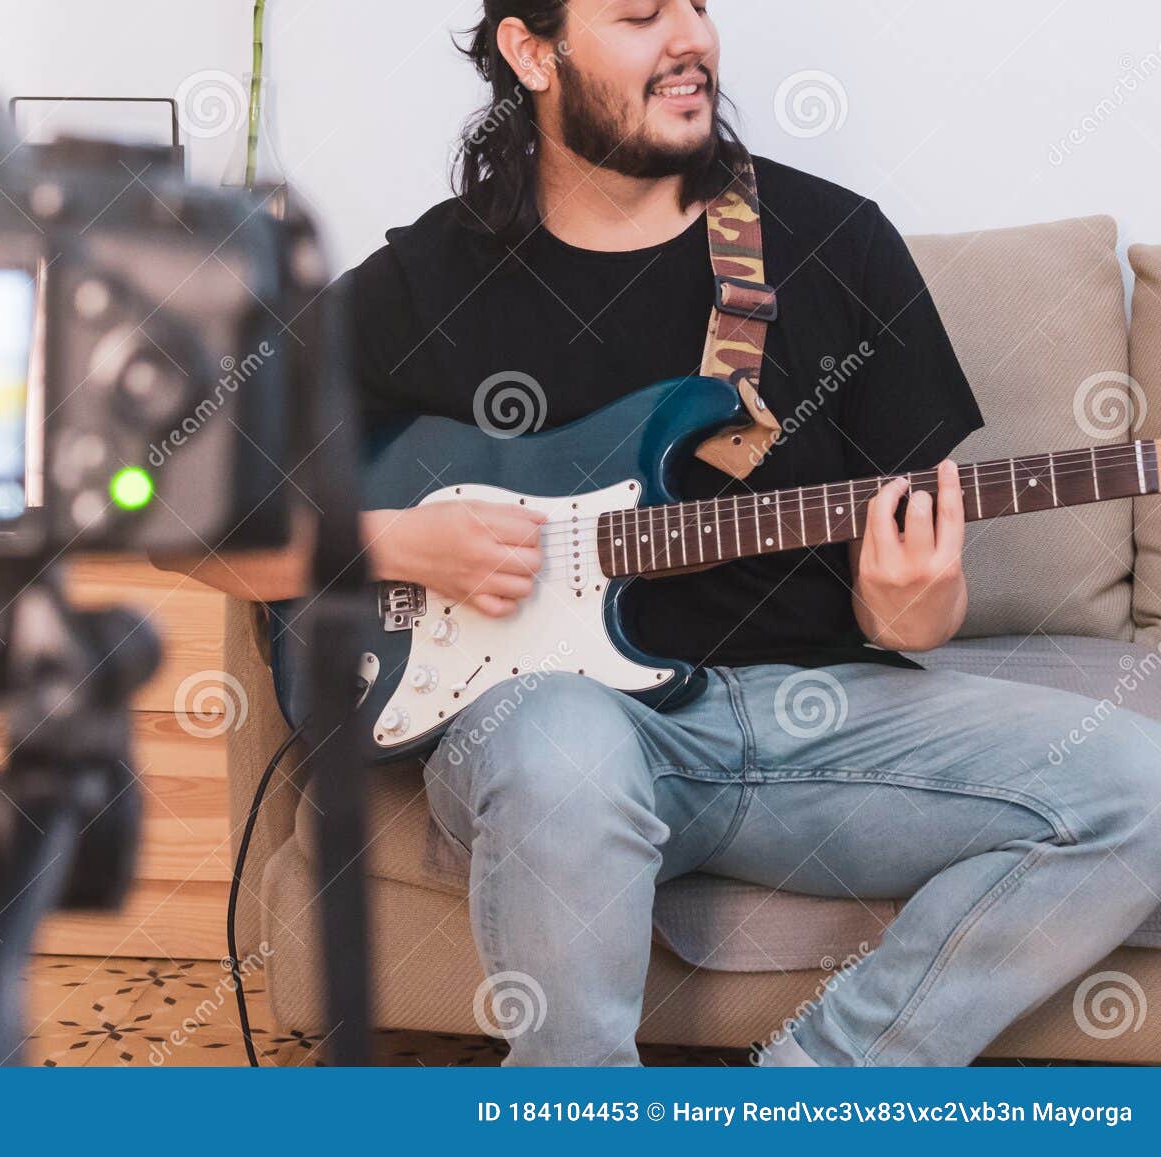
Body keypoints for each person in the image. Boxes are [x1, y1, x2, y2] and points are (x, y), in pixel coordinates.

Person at [165, 0, 1161, 1065]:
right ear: (530, 51)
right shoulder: (427, 281)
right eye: (640, 14)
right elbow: (178, 515)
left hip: (814, 721)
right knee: (561, 745)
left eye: (694, 6)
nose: (688, 37)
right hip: (559, 728)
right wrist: (397, 545)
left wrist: (914, 603)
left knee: (1135, 791)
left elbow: (913, 585)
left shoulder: (830, 240)